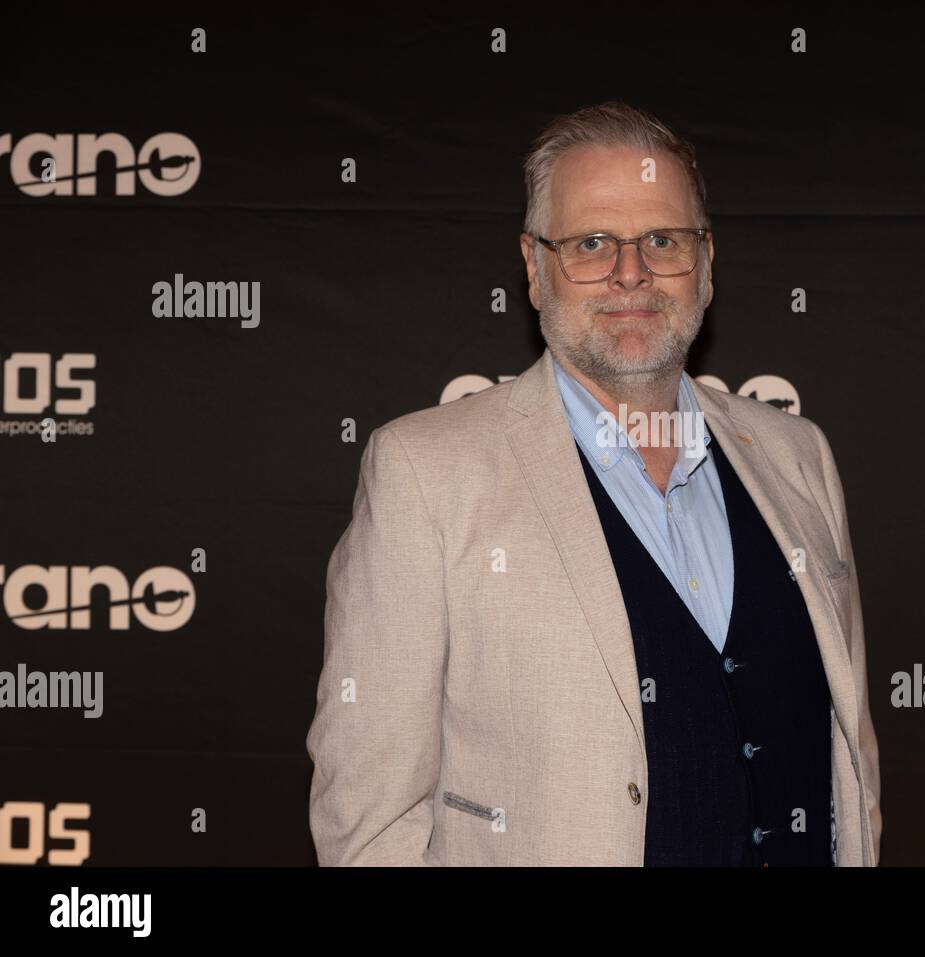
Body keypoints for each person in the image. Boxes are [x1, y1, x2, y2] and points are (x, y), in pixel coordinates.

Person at [306, 100, 881, 866]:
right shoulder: (424, 473)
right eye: (593, 242)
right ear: (536, 267)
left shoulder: (797, 455)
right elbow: (368, 821)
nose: (631, 272)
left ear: (706, 265)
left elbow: (848, 766)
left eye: (663, 240)